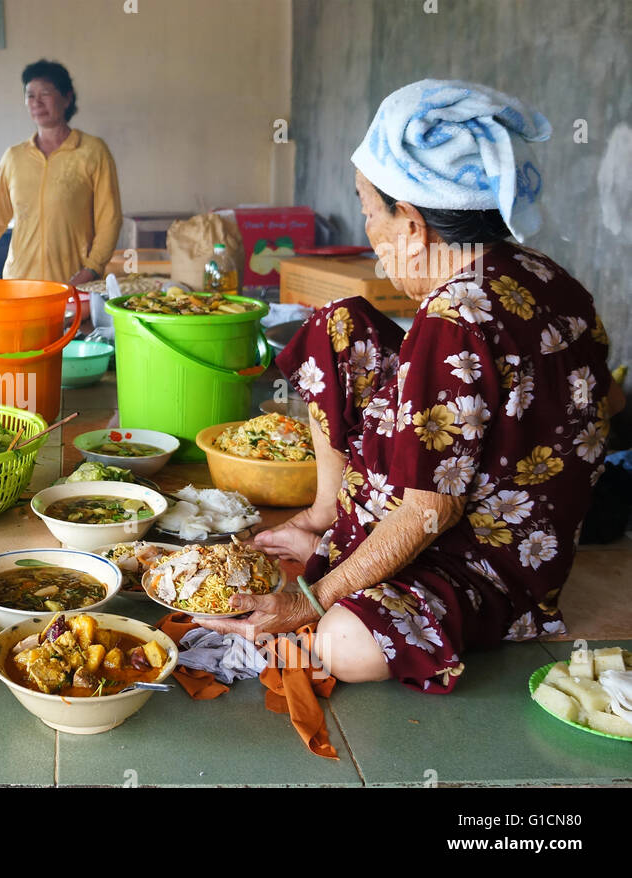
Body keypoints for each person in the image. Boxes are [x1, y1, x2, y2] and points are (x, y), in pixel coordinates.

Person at [205, 80, 624, 693]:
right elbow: (611, 402)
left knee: (344, 641)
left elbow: (431, 514)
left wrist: (313, 599)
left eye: (370, 210)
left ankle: (375, 570)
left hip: (489, 558)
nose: (370, 231)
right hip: (523, 520)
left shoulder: (450, 323)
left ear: (413, 223)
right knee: (336, 325)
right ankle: (329, 516)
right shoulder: (547, 274)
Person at [0, 60, 122, 285]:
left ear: (67, 98)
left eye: (45, 93)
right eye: (30, 95)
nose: (36, 102)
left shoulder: (92, 151)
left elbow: (110, 219)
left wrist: (92, 269)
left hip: (73, 283)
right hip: (19, 285)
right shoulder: (14, 157)